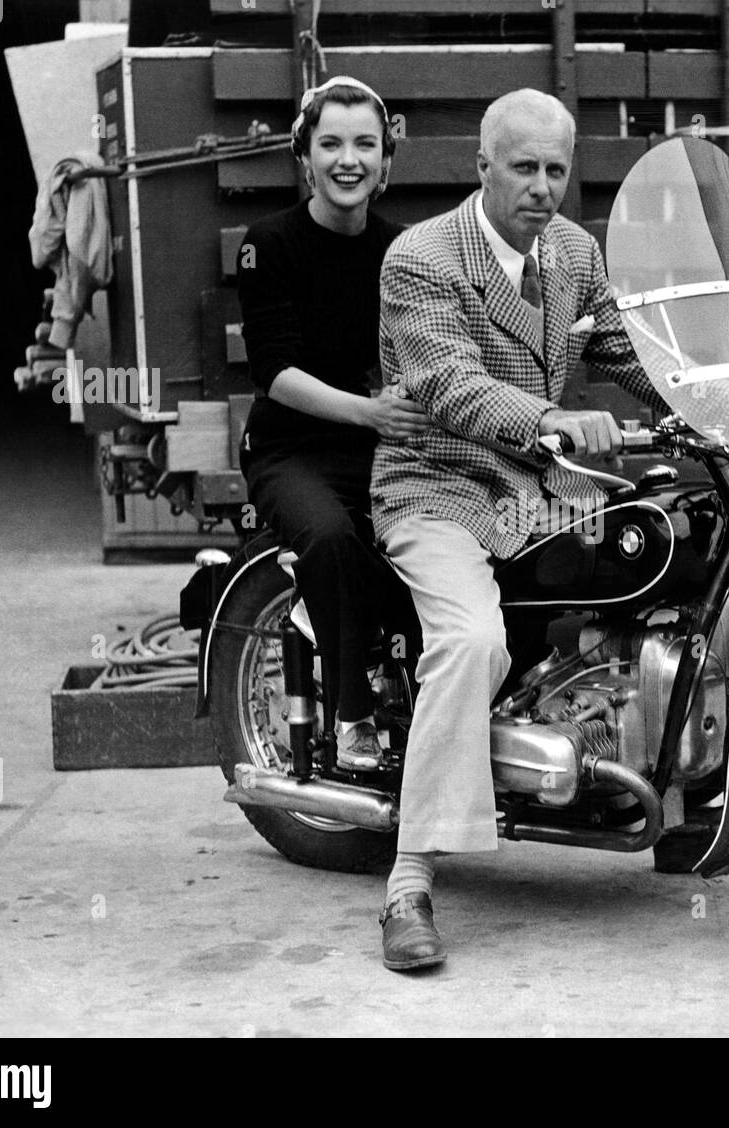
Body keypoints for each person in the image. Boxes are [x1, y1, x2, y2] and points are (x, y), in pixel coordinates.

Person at [370, 88, 667, 971]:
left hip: (541, 492)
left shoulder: (572, 251)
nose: (542, 187)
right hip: (441, 487)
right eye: (525, 167)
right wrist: (553, 417)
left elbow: (628, 351)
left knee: (674, 556)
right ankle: (408, 883)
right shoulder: (419, 258)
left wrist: (723, 398)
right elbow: (450, 383)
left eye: (557, 171)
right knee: (469, 640)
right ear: (483, 166)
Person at [237, 76, 428, 771]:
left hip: (374, 445)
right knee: (331, 537)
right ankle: (352, 715)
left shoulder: (404, 249)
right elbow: (275, 373)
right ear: (305, 156)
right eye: (331, 144)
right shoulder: (269, 244)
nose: (349, 160)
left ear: (386, 160)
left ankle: (426, 708)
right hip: (290, 449)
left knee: (441, 541)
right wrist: (371, 411)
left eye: (365, 145)